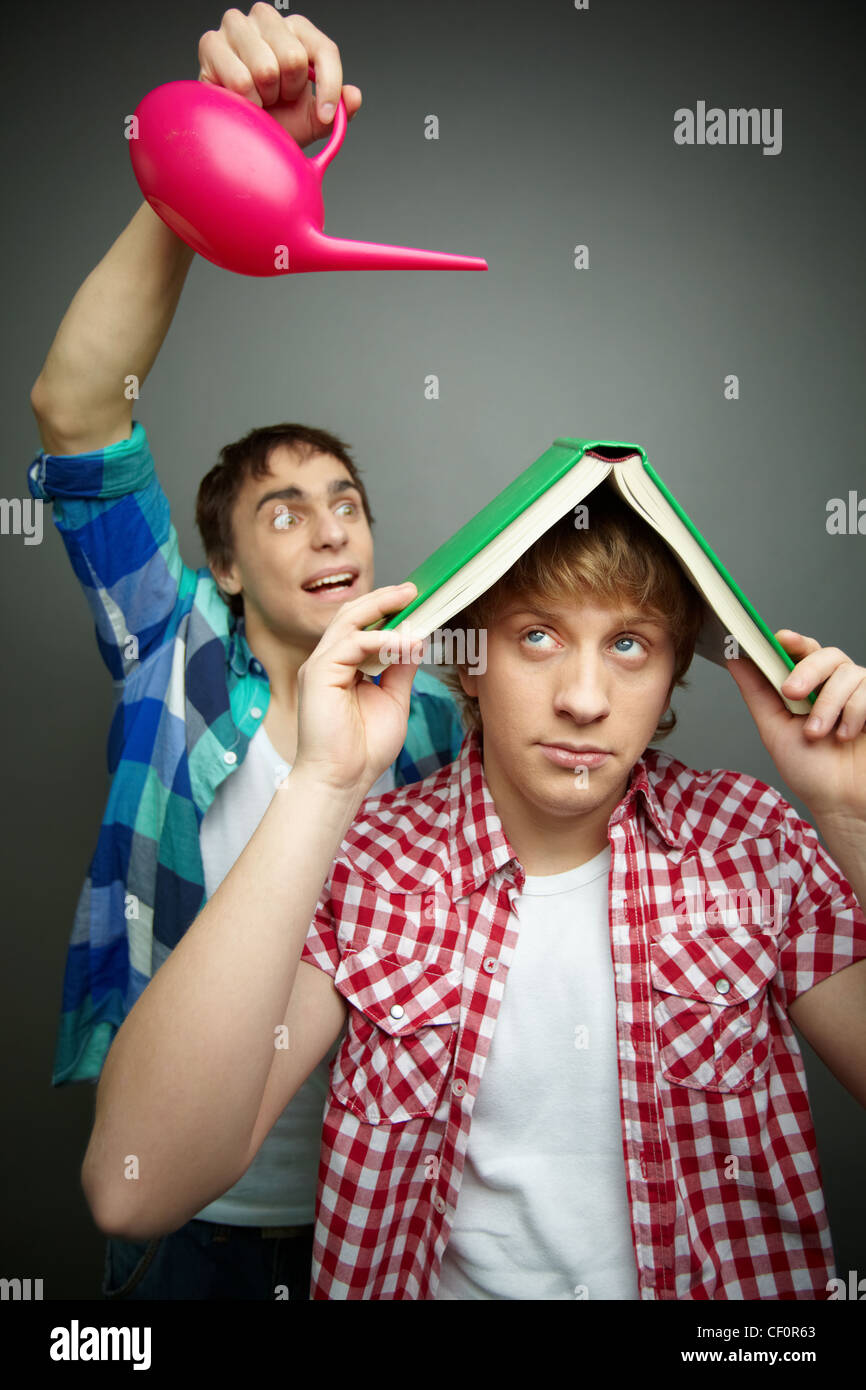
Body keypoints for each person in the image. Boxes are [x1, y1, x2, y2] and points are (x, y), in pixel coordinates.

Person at [80, 484, 866, 1299]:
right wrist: (322, 782)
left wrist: (852, 817)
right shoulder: (374, 867)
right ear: (470, 661)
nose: (585, 699)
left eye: (630, 644)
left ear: (672, 674)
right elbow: (135, 1186)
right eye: (536, 635)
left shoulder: (752, 846)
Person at [27, 6, 464, 1301]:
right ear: (223, 564)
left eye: (344, 500)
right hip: (187, 1226)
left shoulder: (437, 711)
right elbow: (75, 409)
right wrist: (210, 176)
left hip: (387, 1212)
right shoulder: (173, 649)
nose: (329, 530)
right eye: (283, 509)